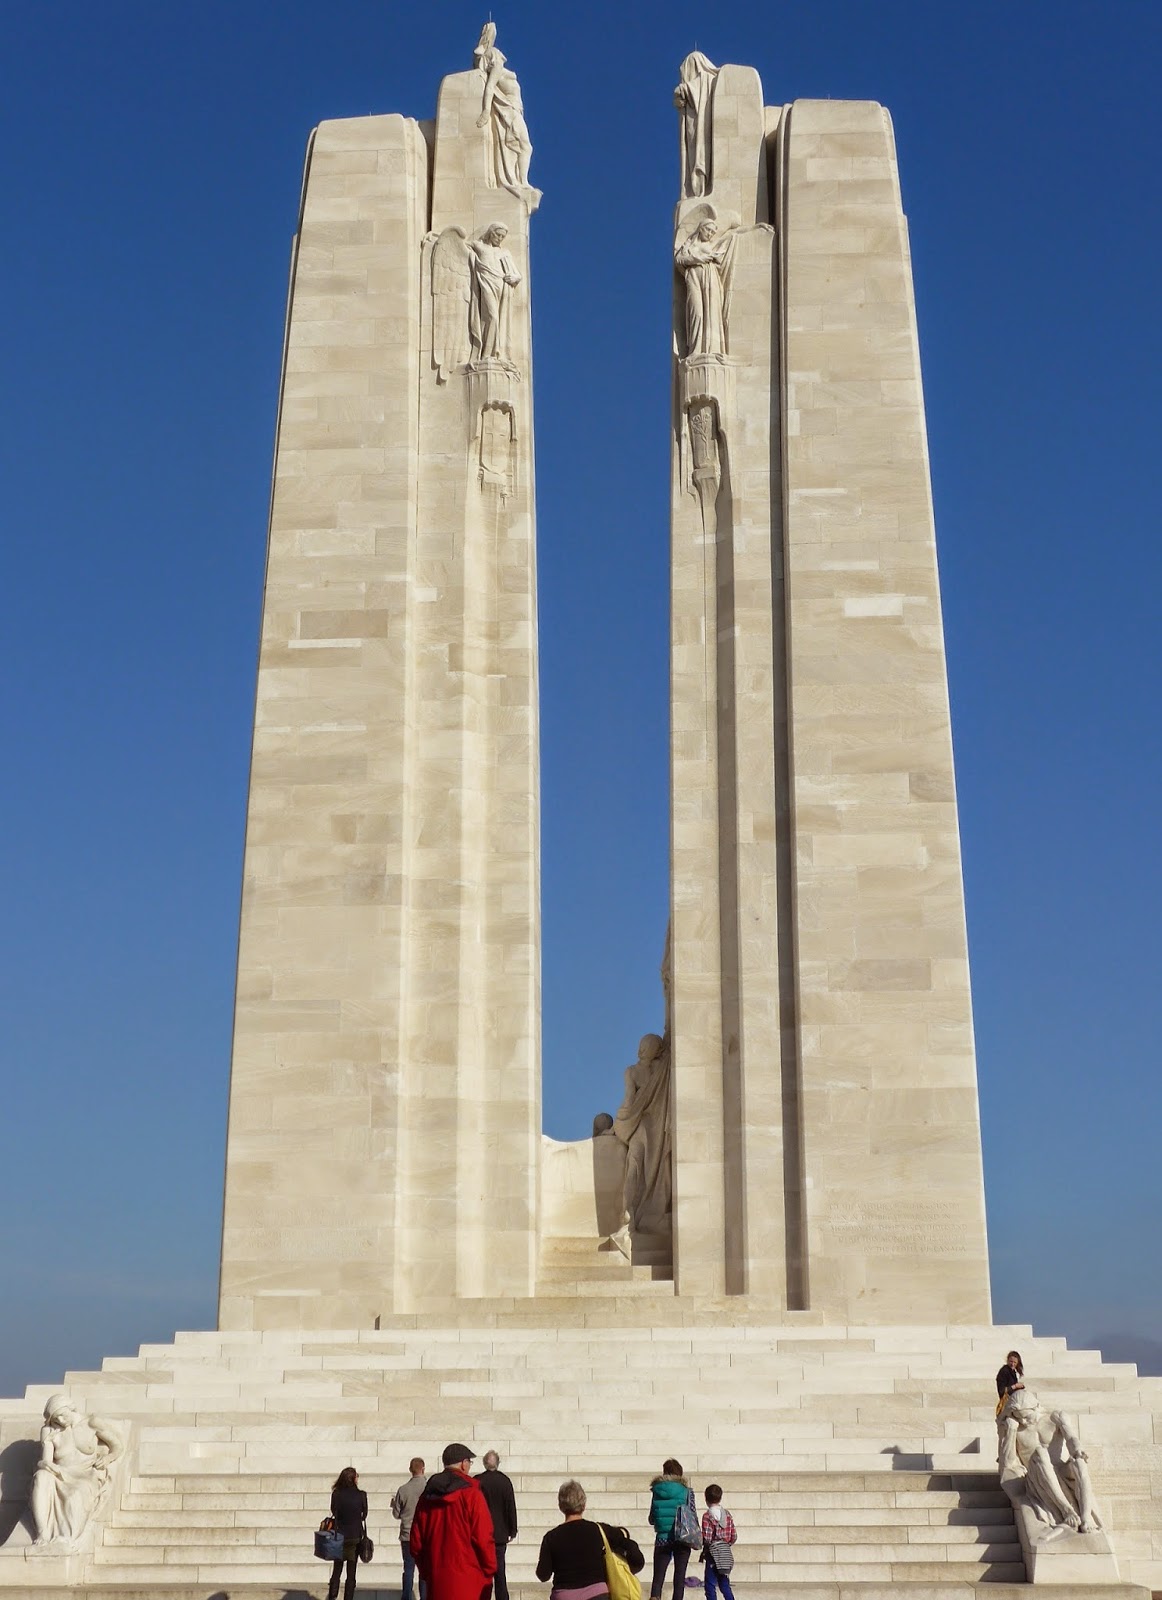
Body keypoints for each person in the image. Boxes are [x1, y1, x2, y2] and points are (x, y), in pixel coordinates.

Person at [410, 1443, 497, 1600]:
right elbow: (483, 1537)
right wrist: (489, 1569)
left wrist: (427, 1571)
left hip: (437, 1580)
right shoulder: (472, 1495)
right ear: (463, 1464)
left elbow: (416, 1543)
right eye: (469, 1462)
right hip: (471, 1580)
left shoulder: (426, 1497)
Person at [536, 1478, 644, 1600]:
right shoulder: (600, 1530)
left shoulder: (551, 1537)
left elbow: (543, 1575)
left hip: (564, 1595)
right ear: (584, 1504)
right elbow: (635, 1553)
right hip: (597, 1594)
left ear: (561, 1506)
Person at [647, 1458, 695, 1600]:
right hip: (682, 1537)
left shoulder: (656, 1491)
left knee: (658, 1578)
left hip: (662, 1538)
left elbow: (651, 1518)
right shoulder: (687, 1492)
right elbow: (692, 1514)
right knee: (679, 1579)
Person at [475, 1449, 519, 1600]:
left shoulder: (477, 1481)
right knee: (500, 1573)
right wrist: (513, 1529)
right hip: (500, 1534)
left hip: (481, 1533)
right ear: (498, 1463)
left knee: (483, 1573)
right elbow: (510, 1507)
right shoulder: (505, 1481)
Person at [327, 1466, 368, 1600]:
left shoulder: (336, 1494)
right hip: (355, 1535)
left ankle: (332, 1596)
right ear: (353, 1478)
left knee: (337, 1570)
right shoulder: (361, 1495)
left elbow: (333, 1511)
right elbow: (364, 1514)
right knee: (351, 1573)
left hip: (339, 1535)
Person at [392, 1456, 429, 1600]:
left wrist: (394, 1505)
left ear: (410, 1470)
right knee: (424, 1570)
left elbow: (396, 1514)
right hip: (425, 1535)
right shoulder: (428, 1488)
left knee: (408, 1569)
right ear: (423, 1469)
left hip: (407, 1534)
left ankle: (406, 1597)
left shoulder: (403, 1489)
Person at [699, 1484, 737, 1600]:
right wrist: (726, 1544)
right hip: (725, 1552)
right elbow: (734, 1535)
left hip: (712, 1554)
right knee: (724, 1583)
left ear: (706, 1499)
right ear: (720, 1498)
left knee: (710, 1584)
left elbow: (707, 1538)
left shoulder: (707, 1516)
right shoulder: (727, 1514)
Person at [996, 1350, 1025, 1416]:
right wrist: (1015, 1386)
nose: (1012, 1364)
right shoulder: (1004, 1371)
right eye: (1011, 1361)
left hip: (1014, 1401)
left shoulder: (1013, 1372)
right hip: (1007, 1405)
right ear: (1007, 1360)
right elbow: (1001, 1390)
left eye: (1015, 1362)